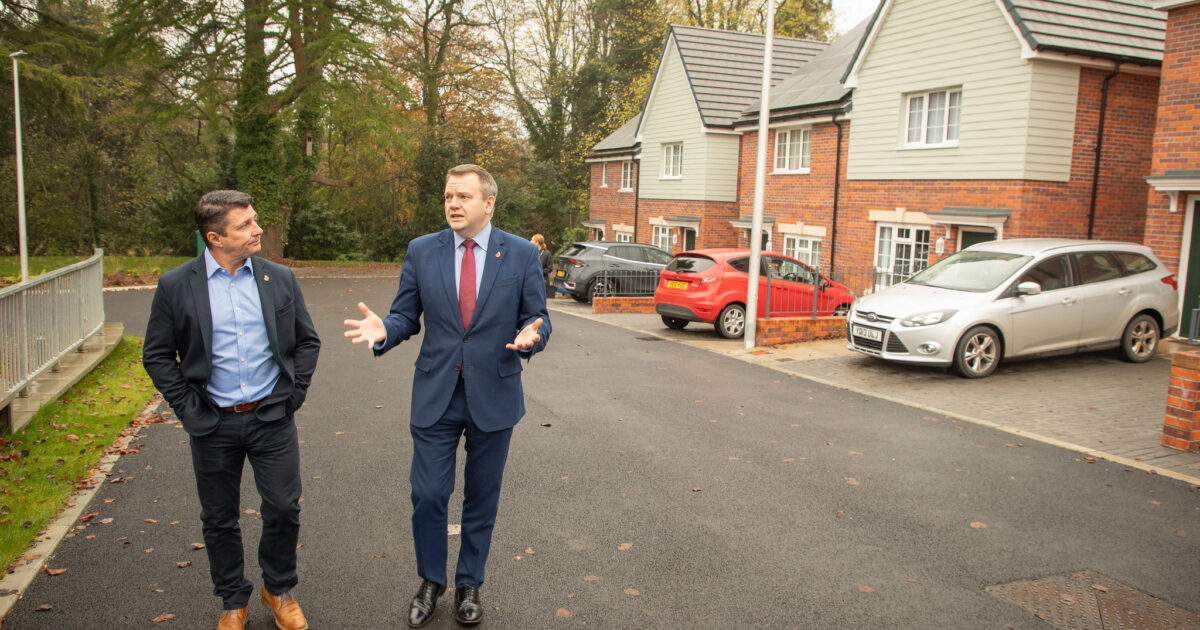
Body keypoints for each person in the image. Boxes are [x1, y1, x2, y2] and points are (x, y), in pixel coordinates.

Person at [343, 164, 550, 628]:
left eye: (464, 196)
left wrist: (532, 336)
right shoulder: (422, 250)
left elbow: (538, 317)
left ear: (489, 203)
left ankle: (469, 583)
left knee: (482, 497)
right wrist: (384, 331)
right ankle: (430, 580)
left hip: (494, 392)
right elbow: (404, 317)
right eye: (448, 196)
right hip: (436, 391)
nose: (453, 204)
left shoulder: (518, 254)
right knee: (429, 494)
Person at [142, 190, 320, 630]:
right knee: (219, 517)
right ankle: (232, 600)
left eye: (255, 220)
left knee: (283, 506)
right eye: (245, 225)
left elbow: (306, 341)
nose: (258, 229)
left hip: (270, 417)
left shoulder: (278, 278)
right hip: (212, 419)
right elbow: (158, 355)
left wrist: (292, 395)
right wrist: (187, 408)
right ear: (214, 238)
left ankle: (278, 590)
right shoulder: (176, 285)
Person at [532, 233, 554, 299]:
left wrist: (538, 271)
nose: (530, 241)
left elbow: (550, 268)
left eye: (532, 240)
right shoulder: (532, 252)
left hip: (542, 282)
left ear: (537, 242)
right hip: (532, 281)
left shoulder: (547, 254)